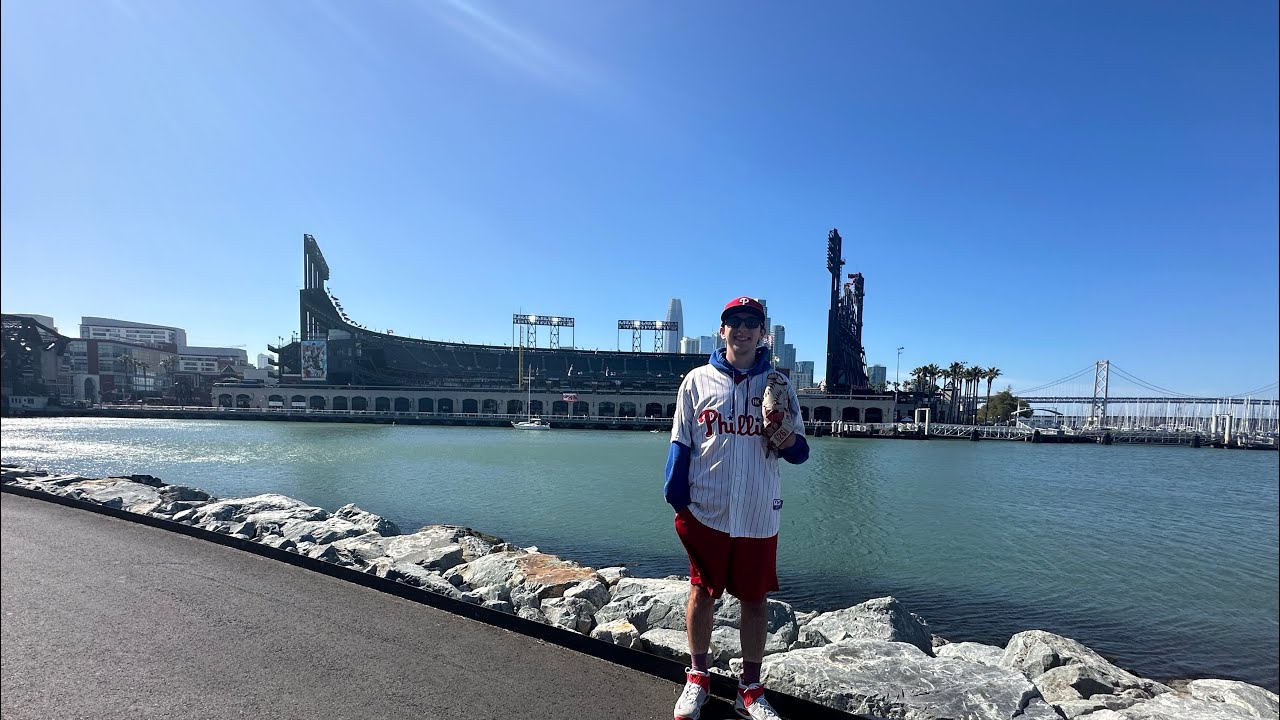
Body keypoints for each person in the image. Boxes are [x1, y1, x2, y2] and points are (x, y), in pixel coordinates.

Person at [664, 296, 810, 720]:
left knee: (754, 599)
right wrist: (678, 502)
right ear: (722, 329)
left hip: (758, 511)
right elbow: (681, 442)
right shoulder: (696, 380)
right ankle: (698, 679)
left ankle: (750, 688)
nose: (742, 329)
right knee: (701, 592)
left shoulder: (778, 385)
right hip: (707, 508)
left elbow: (800, 453)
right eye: (734, 322)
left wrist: (783, 436)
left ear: (762, 332)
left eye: (751, 322)